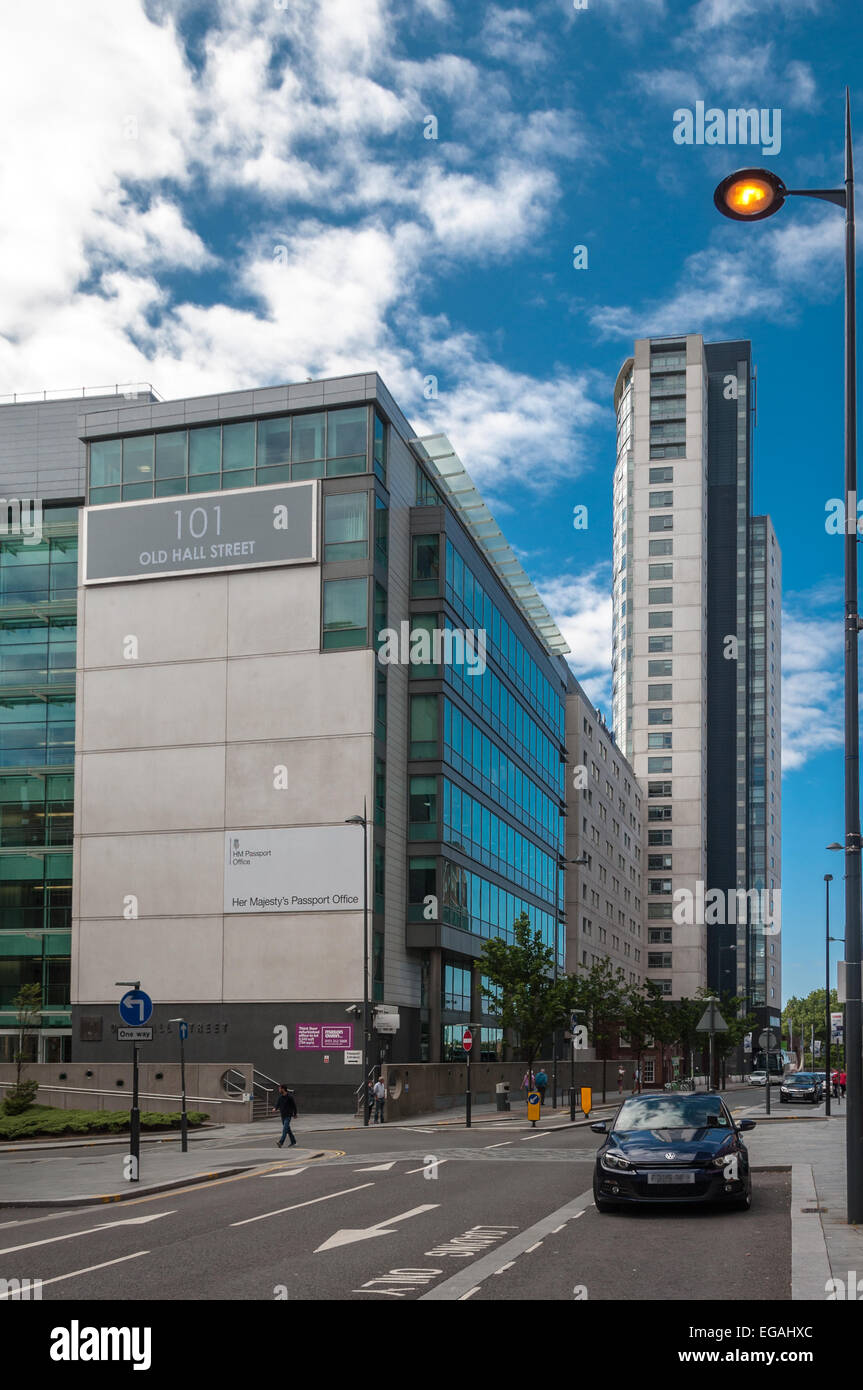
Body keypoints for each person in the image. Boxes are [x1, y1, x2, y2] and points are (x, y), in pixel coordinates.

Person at [272, 1084, 298, 1148]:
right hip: (283, 1116)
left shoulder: (289, 1097)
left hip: (288, 1116)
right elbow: (277, 1105)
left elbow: (294, 1106)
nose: (279, 1090)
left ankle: (281, 1142)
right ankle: (293, 1142)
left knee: (285, 1129)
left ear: (283, 1089)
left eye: (280, 1089)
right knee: (288, 1130)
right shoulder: (280, 1098)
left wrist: (295, 1114)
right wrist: (275, 1108)